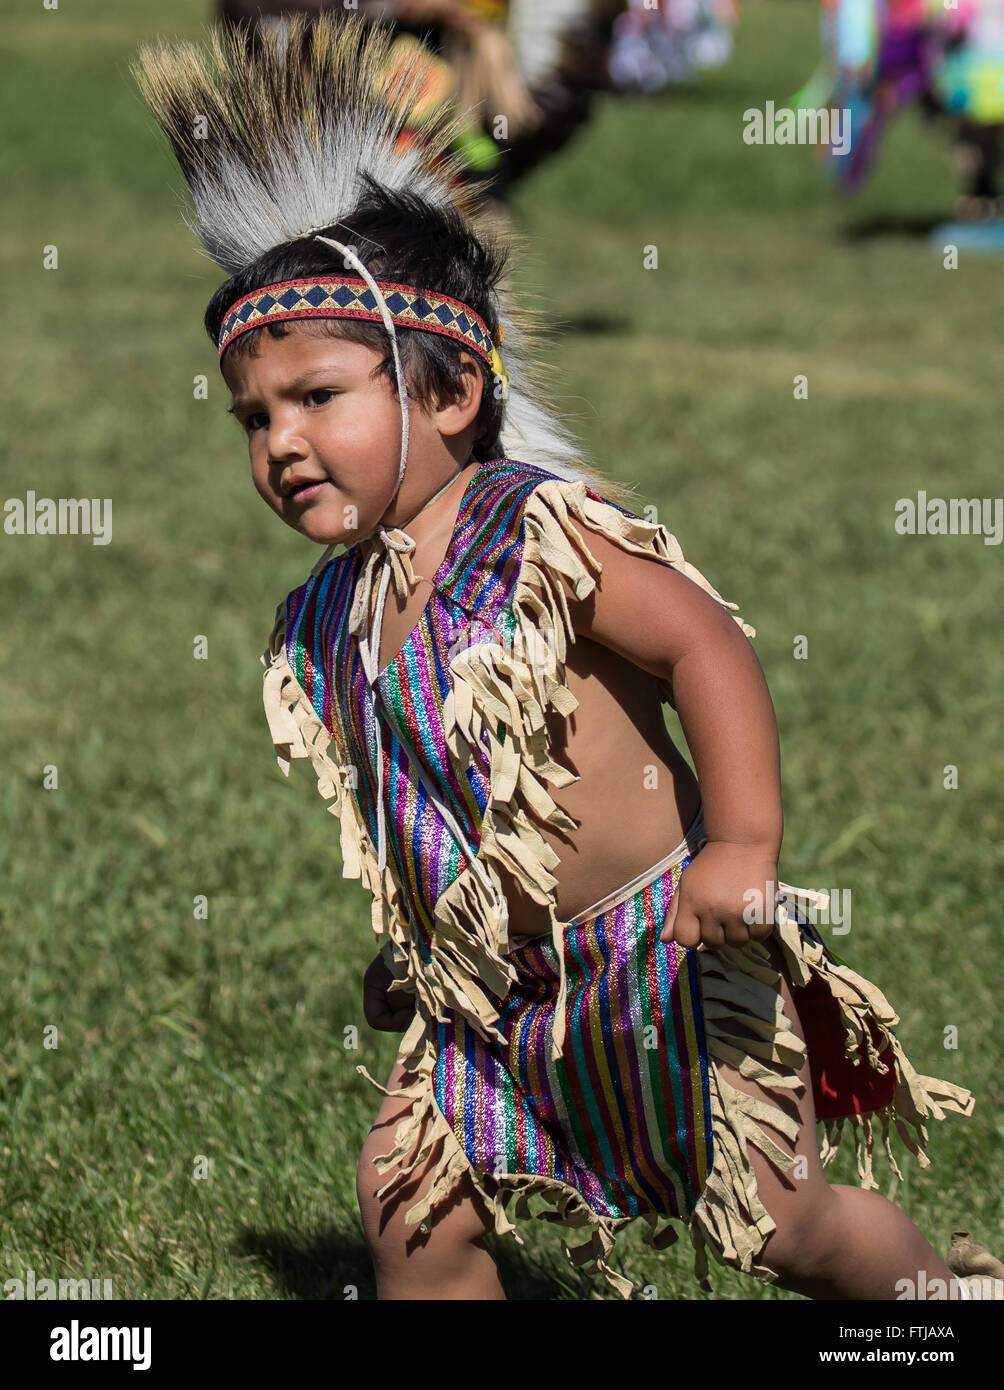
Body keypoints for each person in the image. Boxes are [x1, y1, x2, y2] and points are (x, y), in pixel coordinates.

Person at [132, 13, 976, 1300]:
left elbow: (703, 646)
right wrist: (416, 937)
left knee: (782, 1219)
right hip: (490, 997)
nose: (278, 441)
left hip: (662, 961)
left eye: (317, 398)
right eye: (253, 415)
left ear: (454, 395)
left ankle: (942, 1306)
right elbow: (410, 788)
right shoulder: (333, 617)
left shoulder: (538, 537)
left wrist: (741, 846)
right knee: (408, 1195)